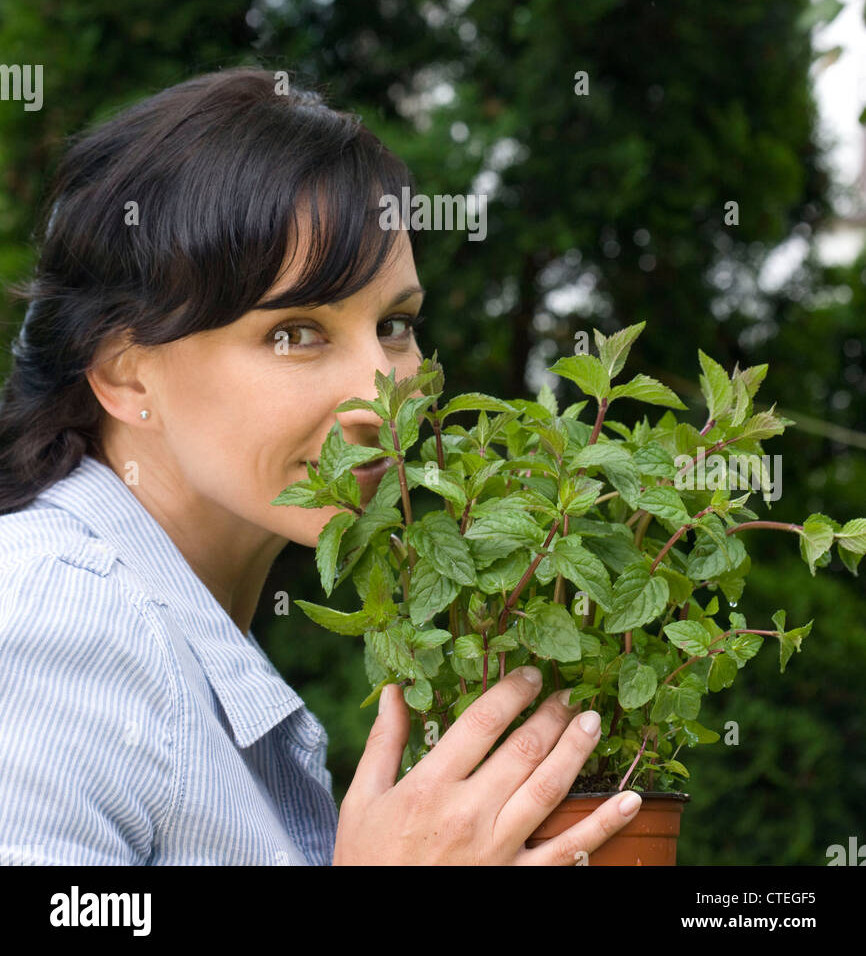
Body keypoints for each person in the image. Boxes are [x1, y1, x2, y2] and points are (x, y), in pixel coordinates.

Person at [0, 66, 642, 866]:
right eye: (295, 332)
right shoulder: (56, 614)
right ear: (128, 373)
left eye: (397, 325)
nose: (379, 396)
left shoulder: (168, 619)